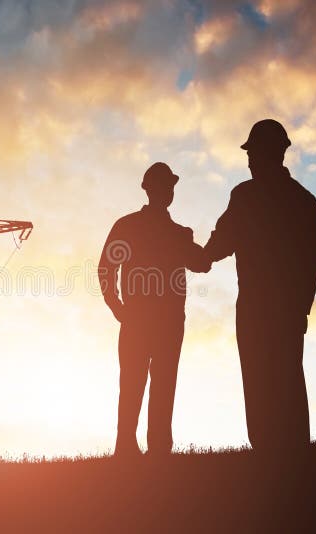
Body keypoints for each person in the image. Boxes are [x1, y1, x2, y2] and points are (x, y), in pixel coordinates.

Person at [204, 119, 316, 453]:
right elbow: (312, 263)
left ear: (266, 153)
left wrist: (198, 257)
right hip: (287, 310)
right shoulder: (305, 201)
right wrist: (302, 310)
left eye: (252, 153)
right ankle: (295, 457)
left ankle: (269, 457)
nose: (249, 160)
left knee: (259, 381)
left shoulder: (245, 196)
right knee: (287, 380)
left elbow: (222, 242)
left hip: (257, 309)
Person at [99, 162, 210, 457]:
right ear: (149, 189)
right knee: (143, 381)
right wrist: (117, 306)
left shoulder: (163, 231)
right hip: (149, 320)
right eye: (164, 186)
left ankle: (149, 447)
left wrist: (118, 307)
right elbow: (106, 268)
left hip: (157, 321)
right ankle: (137, 446)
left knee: (150, 381)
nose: (167, 191)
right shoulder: (145, 228)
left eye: (170, 186)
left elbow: (201, 263)